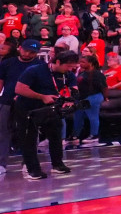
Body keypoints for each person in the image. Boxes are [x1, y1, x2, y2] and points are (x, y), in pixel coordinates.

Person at [15, 49, 78, 180]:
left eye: (72, 67)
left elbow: (73, 89)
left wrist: (70, 100)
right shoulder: (35, 70)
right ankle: (32, 169)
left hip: (51, 108)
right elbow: (19, 89)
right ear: (58, 62)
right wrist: (42, 96)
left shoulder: (68, 74)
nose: (70, 69)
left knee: (56, 135)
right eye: (68, 66)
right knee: (29, 138)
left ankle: (57, 164)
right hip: (28, 108)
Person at [0, 38, 39, 179]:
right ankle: (1, 164)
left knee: (30, 133)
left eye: (32, 52)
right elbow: (1, 82)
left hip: (30, 104)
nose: (27, 54)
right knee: (3, 132)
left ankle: (28, 163)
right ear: (20, 48)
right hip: (7, 101)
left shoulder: (40, 65)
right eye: (26, 50)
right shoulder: (7, 63)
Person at [71, 54, 107, 145]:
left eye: (83, 62)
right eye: (80, 62)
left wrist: (106, 97)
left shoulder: (98, 74)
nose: (81, 64)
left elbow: (104, 87)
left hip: (93, 96)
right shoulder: (82, 73)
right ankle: (75, 136)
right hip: (81, 97)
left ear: (90, 63)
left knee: (93, 117)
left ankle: (94, 135)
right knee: (77, 117)